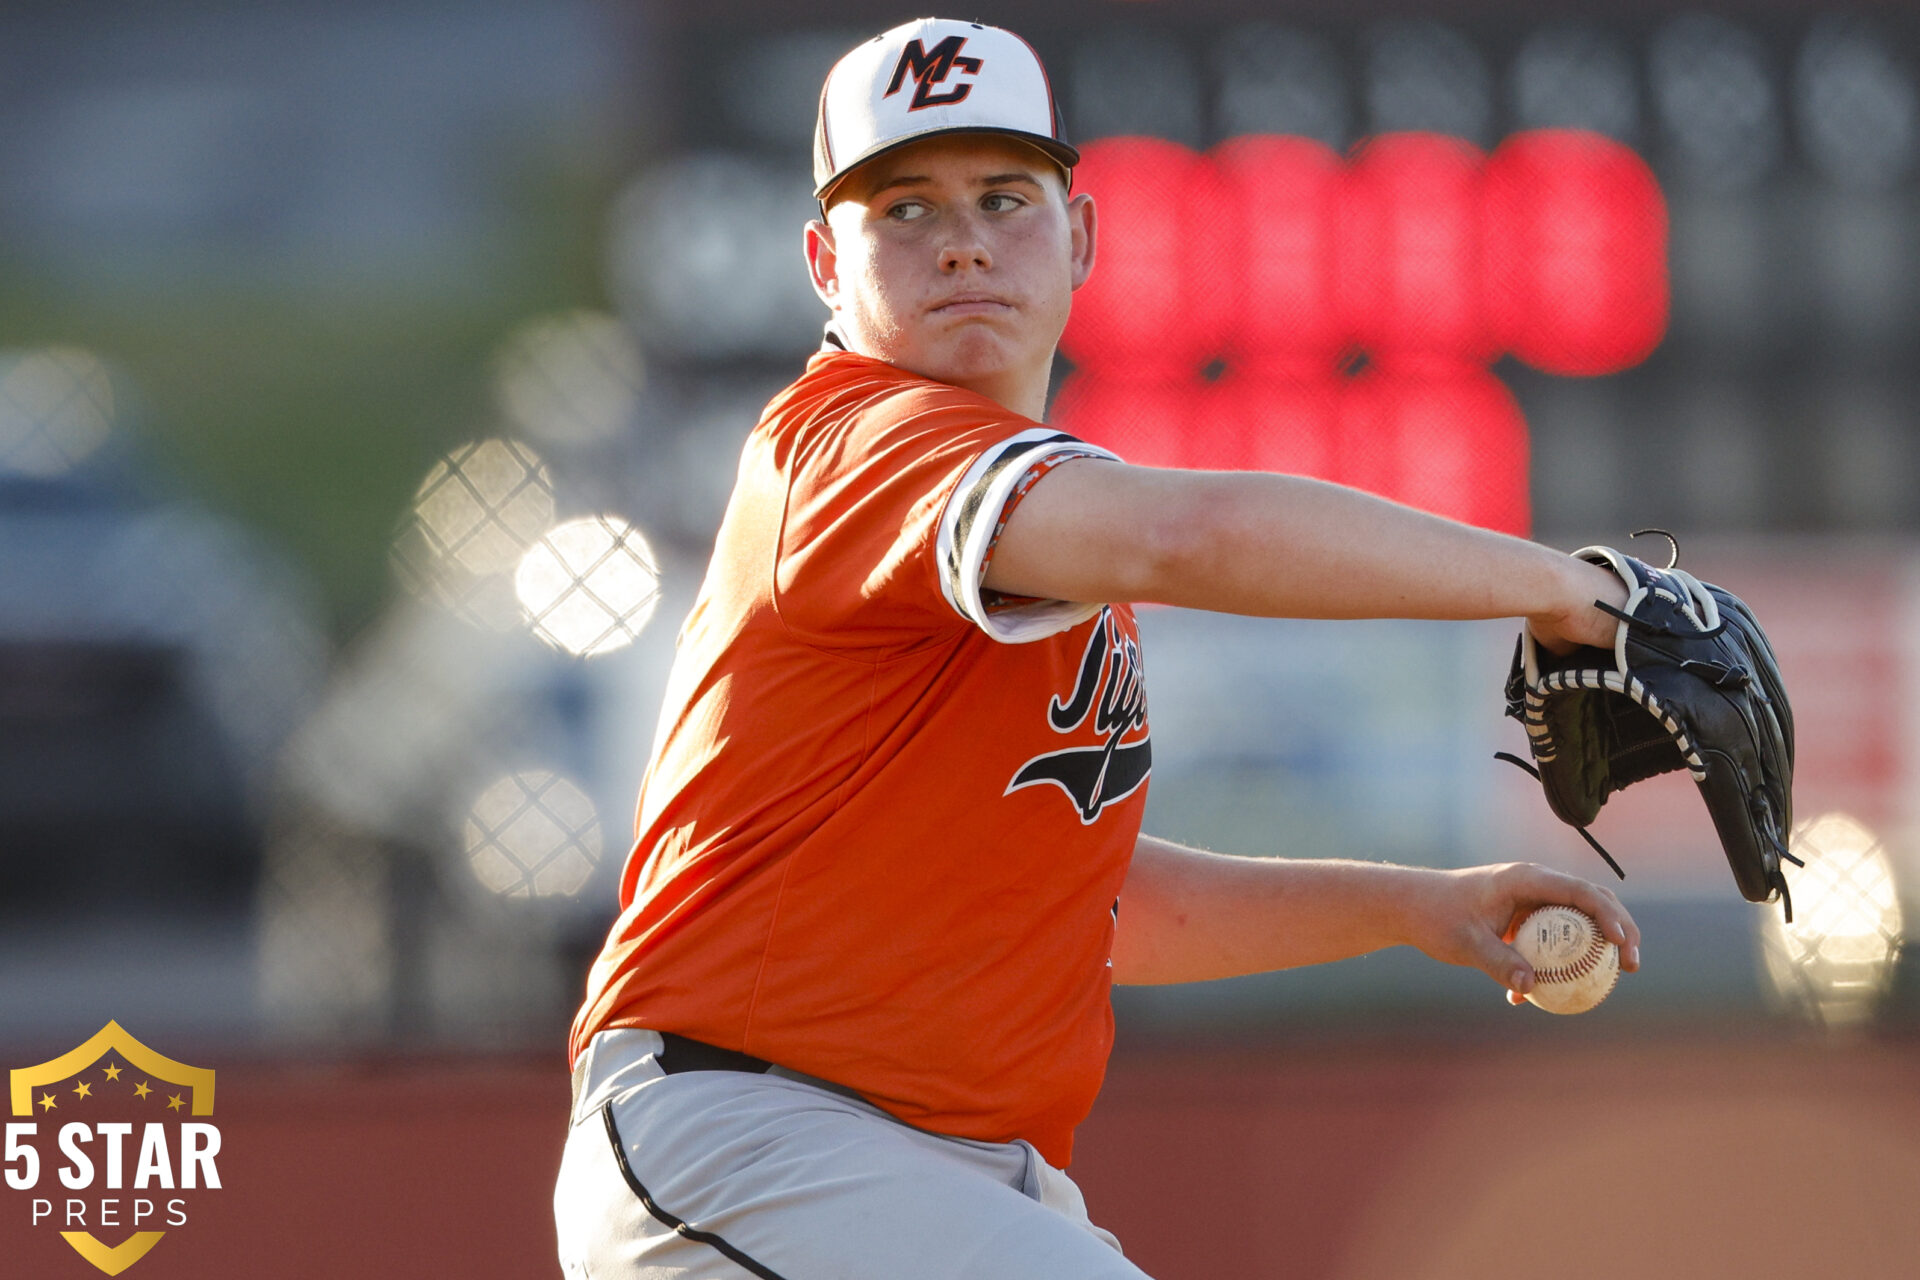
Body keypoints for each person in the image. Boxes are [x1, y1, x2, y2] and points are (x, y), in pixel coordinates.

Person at [554, 18, 1641, 1279]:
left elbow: (1101, 899)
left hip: (926, 1168)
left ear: (1079, 236)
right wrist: (1571, 591)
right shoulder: (856, 445)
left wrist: (1417, 907)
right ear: (822, 264)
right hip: (755, 1135)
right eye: (903, 208)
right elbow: (1193, 534)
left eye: (1003, 196)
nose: (961, 236)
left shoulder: (1025, 545)